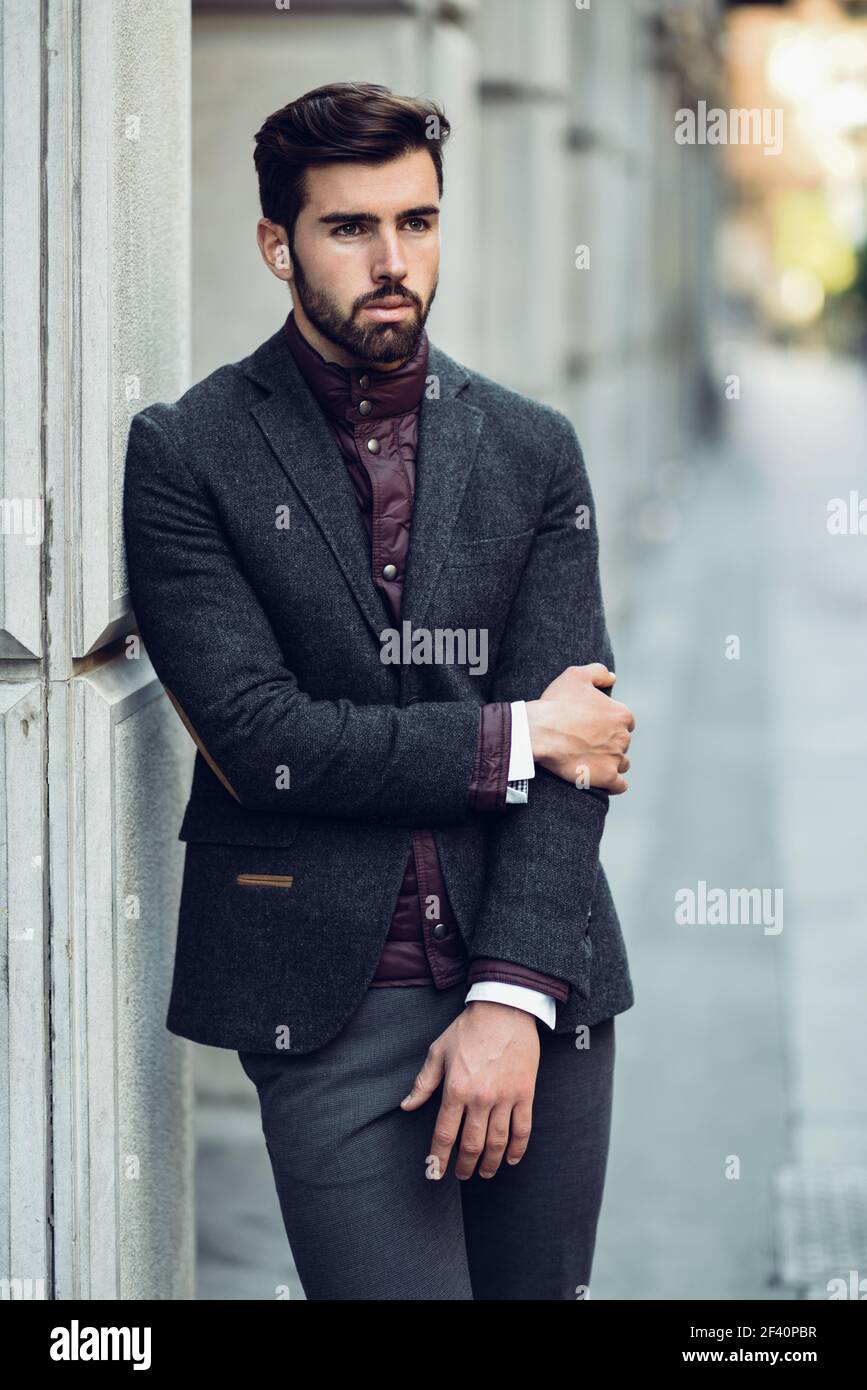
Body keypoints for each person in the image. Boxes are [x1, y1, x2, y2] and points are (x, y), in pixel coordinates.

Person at [122, 81, 636, 1301]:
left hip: (540, 982)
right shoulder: (188, 455)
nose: (393, 260)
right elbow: (263, 738)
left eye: (417, 221)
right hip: (325, 1010)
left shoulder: (532, 447)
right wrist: (515, 734)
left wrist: (512, 998)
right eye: (350, 228)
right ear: (277, 245)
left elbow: (588, 756)